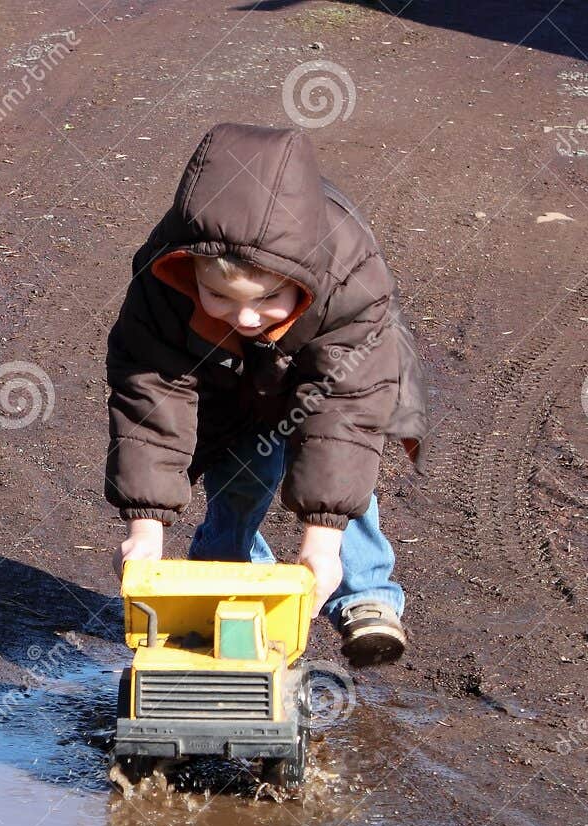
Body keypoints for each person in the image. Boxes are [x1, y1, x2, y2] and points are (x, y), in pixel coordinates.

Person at [104, 122, 426, 666]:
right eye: (218, 296)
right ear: (189, 271)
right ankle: (227, 583)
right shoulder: (161, 283)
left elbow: (343, 418)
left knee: (343, 481)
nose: (247, 316)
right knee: (239, 475)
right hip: (226, 387)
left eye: (269, 298)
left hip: (334, 385)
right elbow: (151, 400)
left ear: (302, 278)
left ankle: (365, 593)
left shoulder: (350, 275)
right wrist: (145, 528)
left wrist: (319, 541)